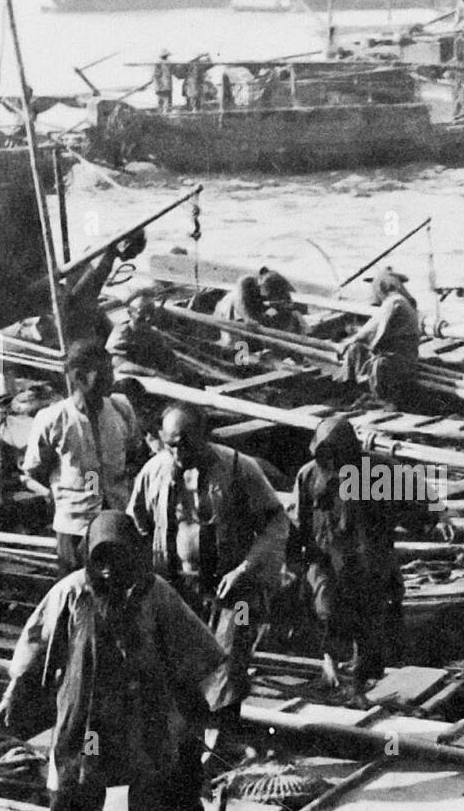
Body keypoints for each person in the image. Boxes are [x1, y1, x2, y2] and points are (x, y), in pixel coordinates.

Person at [0, 511, 224, 811]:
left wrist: (211, 691)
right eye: (100, 561)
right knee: (70, 785)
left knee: (179, 754)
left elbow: (194, 641)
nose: (108, 571)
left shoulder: (154, 593)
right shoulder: (71, 591)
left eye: (117, 560)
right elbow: (35, 636)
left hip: (142, 708)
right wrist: (15, 685)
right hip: (89, 716)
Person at [127, 403, 289, 726]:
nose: (179, 452)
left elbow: (276, 521)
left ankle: (225, 744)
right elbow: (136, 526)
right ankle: (190, 748)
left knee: (228, 667)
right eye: (171, 444)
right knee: (178, 668)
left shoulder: (239, 468)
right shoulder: (152, 472)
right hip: (175, 591)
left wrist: (246, 568)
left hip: (232, 591)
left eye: (187, 442)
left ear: (206, 436)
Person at [291, 415, 437, 689]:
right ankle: (330, 667)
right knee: (327, 611)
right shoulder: (309, 475)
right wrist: (297, 560)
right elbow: (300, 520)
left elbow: (420, 501)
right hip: (328, 558)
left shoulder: (380, 469)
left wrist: (436, 518)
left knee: (372, 620)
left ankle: (362, 680)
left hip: (370, 559)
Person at [22, 340, 142, 575]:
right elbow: (34, 470)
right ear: (79, 376)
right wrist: (57, 493)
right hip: (75, 527)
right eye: (105, 373)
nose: (111, 380)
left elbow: (135, 453)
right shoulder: (53, 419)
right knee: (76, 591)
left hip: (117, 520)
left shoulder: (121, 408)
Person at [337, 266, 421, 406]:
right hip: (398, 354)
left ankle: (380, 398)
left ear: (381, 287)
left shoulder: (395, 302)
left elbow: (372, 328)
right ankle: (351, 390)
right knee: (356, 349)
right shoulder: (397, 301)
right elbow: (374, 324)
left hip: (401, 358)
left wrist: (349, 341)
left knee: (374, 360)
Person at [106, 291, 192, 379]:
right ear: (130, 313)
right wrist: (154, 374)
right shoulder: (121, 334)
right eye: (142, 313)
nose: (148, 318)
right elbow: (120, 364)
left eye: (151, 312)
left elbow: (169, 359)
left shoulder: (153, 335)